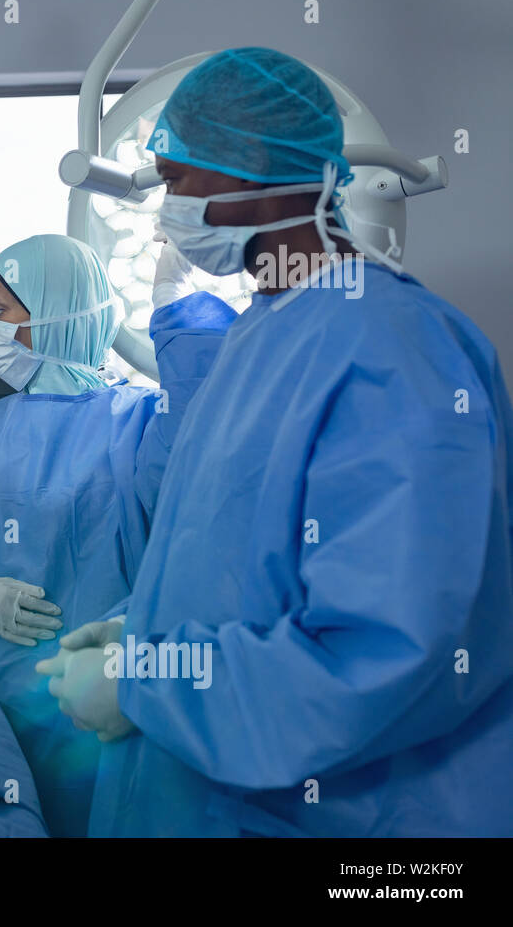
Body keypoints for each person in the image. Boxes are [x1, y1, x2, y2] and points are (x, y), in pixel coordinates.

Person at [39, 47, 513, 836]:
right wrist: (148, 634)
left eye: (179, 179)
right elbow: (241, 565)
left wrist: (149, 686)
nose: (166, 208)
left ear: (255, 174)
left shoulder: (396, 351)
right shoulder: (262, 335)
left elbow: (387, 649)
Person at [0, 233, 236, 836]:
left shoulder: (141, 421)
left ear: (58, 314)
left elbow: (222, 421)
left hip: (112, 718)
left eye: (0, 311)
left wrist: (176, 302)